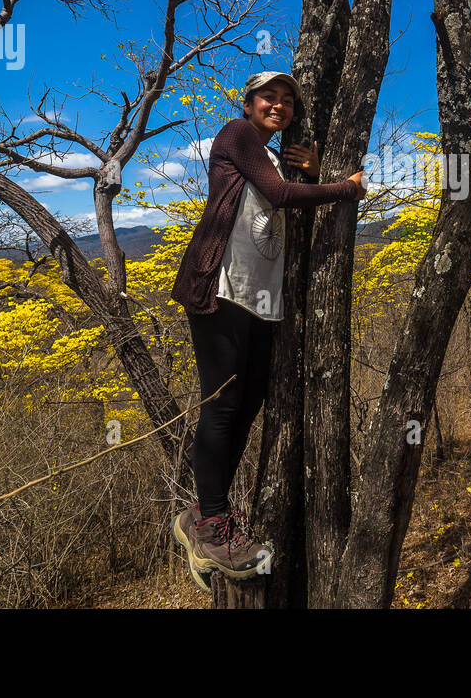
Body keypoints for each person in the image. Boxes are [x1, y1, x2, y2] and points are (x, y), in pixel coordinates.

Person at [169, 71, 366, 592]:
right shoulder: (236, 135)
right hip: (221, 288)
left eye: (286, 101)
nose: (278, 106)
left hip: (261, 299)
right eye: (268, 98)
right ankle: (212, 521)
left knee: (250, 400)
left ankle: (207, 513)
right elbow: (278, 197)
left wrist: (315, 173)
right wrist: (346, 187)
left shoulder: (274, 156)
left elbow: (284, 199)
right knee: (223, 404)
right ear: (249, 104)